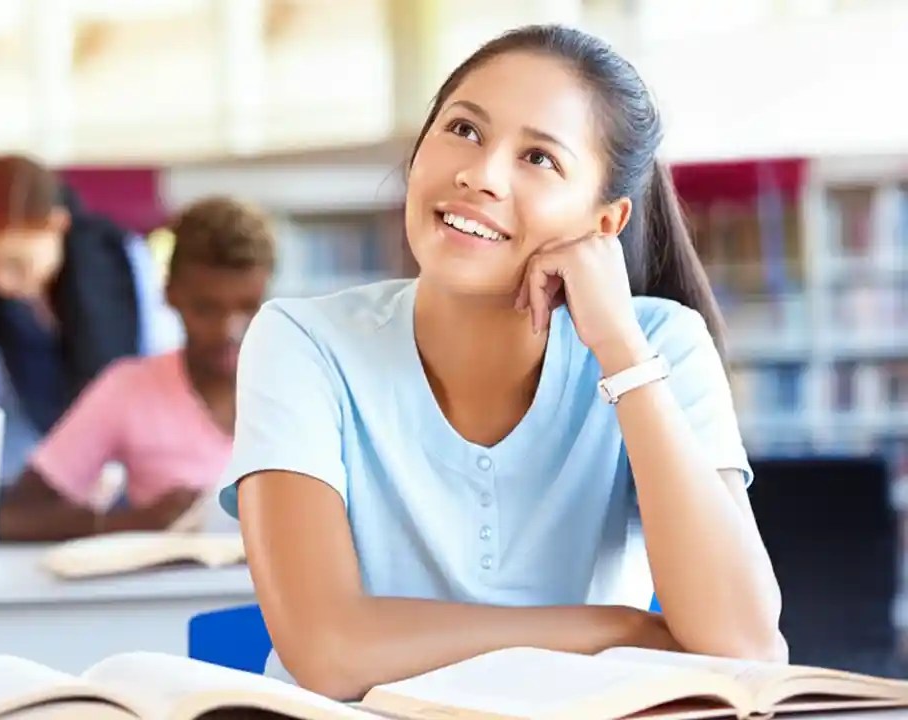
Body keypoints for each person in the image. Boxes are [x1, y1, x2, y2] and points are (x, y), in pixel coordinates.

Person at [218, 24, 785, 699]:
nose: (479, 175)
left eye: (539, 158)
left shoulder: (662, 344)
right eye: (463, 130)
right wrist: (617, 631)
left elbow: (746, 645)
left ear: (607, 223)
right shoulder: (301, 341)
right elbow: (329, 649)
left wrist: (623, 354)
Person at [0, 196, 275, 542]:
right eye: (206, 308)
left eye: (249, 308)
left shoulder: (309, 391)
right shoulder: (127, 390)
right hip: (180, 594)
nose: (229, 331)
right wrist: (131, 522)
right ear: (170, 294)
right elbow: (10, 517)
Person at [0, 155, 182, 483]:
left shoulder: (123, 258)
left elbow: (156, 367)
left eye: (15, 263)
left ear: (57, 225)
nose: (0, 281)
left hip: (127, 466)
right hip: (25, 479)